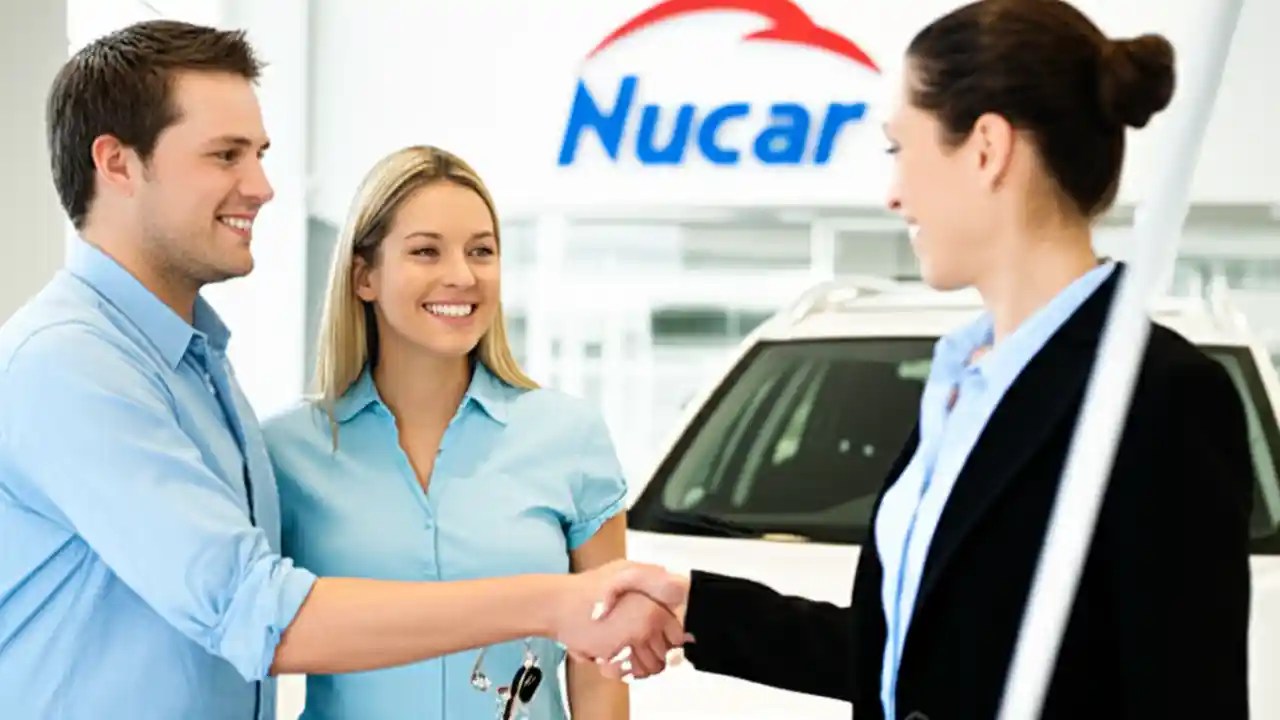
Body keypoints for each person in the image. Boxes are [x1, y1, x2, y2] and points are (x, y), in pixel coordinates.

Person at [0, 20, 680, 720]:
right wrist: (552, 601)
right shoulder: (67, 366)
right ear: (116, 163)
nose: (261, 187)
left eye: (259, 154)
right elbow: (253, 607)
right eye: (226, 154)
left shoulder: (198, 371)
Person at [592, 1, 1255, 718]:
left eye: (898, 148)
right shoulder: (964, 380)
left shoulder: (1159, 397)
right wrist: (703, 606)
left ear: (986, 148)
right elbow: (916, 656)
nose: (893, 193)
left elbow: (1187, 696)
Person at [260, 144, 632, 719]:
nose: (461, 276)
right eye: (426, 252)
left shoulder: (570, 437)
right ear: (364, 276)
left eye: (481, 251)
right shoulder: (285, 453)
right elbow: (249, 633)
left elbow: (601, 662)